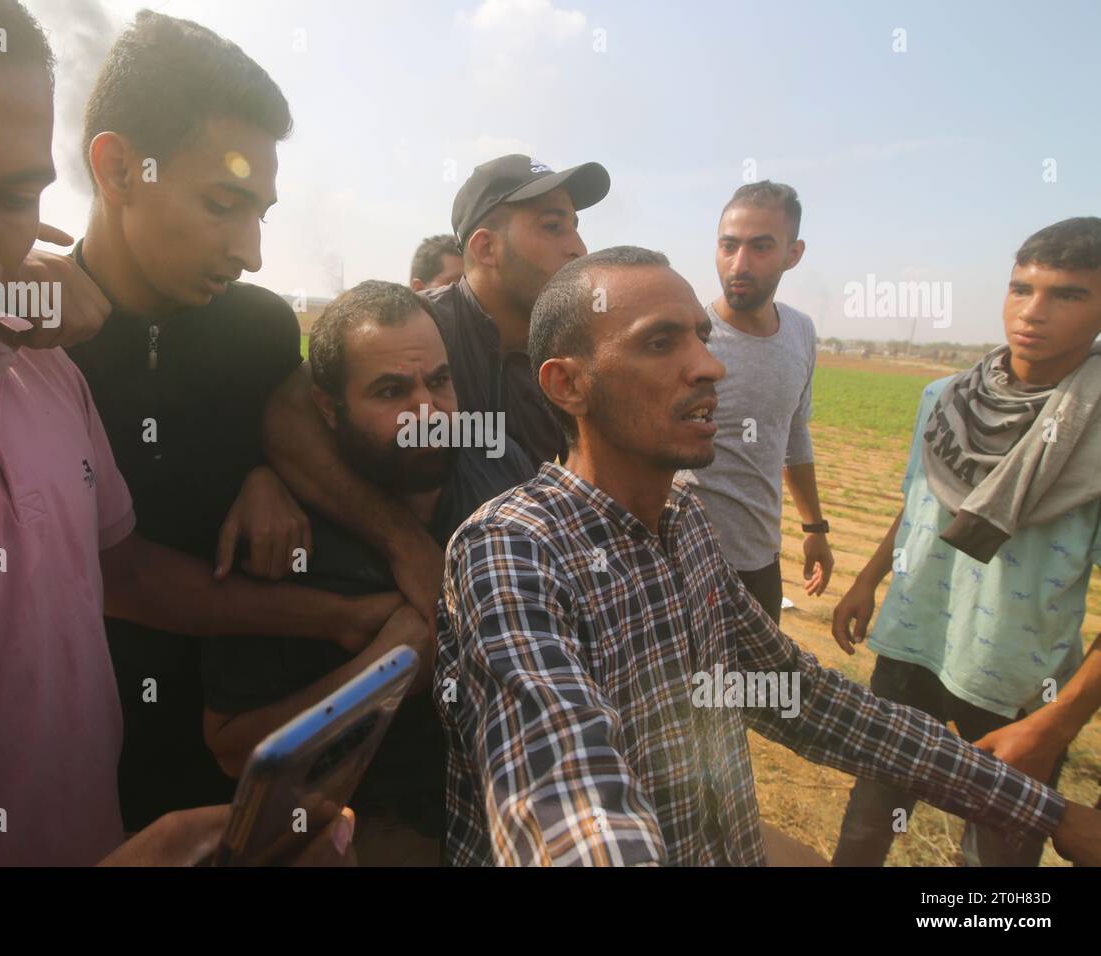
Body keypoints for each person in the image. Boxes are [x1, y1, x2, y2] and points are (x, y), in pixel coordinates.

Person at [0, 0, 361, 866]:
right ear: (115, 169)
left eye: (15, 194)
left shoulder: (41, 367)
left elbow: (118, 567)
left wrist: (276, 478)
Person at [434, 244, 1101, 866]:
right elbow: (568, 791)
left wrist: (1042, 811)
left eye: (700, 335)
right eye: (660, 343)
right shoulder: (514, 550)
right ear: (567, 385)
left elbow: (803, 698)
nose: (708, 366)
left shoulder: (684, 519)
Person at [63, 10, 400, 833]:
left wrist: (270, 469)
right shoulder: (30, 350)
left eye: (261, 212)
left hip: (256, 742)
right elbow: (115, 574)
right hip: (78, 751)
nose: (251, 250)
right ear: (116, 169)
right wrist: (344, 619)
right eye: (222, 204)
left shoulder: (256, 331)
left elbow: (298, 439)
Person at [202, 280, 533, 864]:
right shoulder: (288, 542)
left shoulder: (496, 470)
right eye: (390, 391)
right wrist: (387, 669)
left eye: (438, 380)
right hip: (379, 832)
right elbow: (232, 747)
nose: (427, 411)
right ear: (329, 409)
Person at [831, 217, 1101, 866]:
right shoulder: (944, 398)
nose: (1033, 311)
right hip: (911, 644)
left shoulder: (1092, 432)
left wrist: (1053, 723)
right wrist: (869, 580)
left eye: (1067, 295)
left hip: (1017, 679)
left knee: (996, 858)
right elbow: (925, 502)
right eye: (1021, 288)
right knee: (867, 827)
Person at [262, 154, 609, 623]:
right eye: (553, 227)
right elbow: (288, 413)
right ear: (486, 248)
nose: (579, 249)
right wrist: (407, 548)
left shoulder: (565, 362)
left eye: (575, 227)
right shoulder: (413, 328)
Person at [682, 181, 832, 623]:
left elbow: (794, 432)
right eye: (728, 246)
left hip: (761, 563)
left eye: (761, 247)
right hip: (682, 563)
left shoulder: (801, 332)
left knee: (753, 693)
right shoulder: (687, 333)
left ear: (794, 253)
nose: (739, 264)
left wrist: (815, 527)